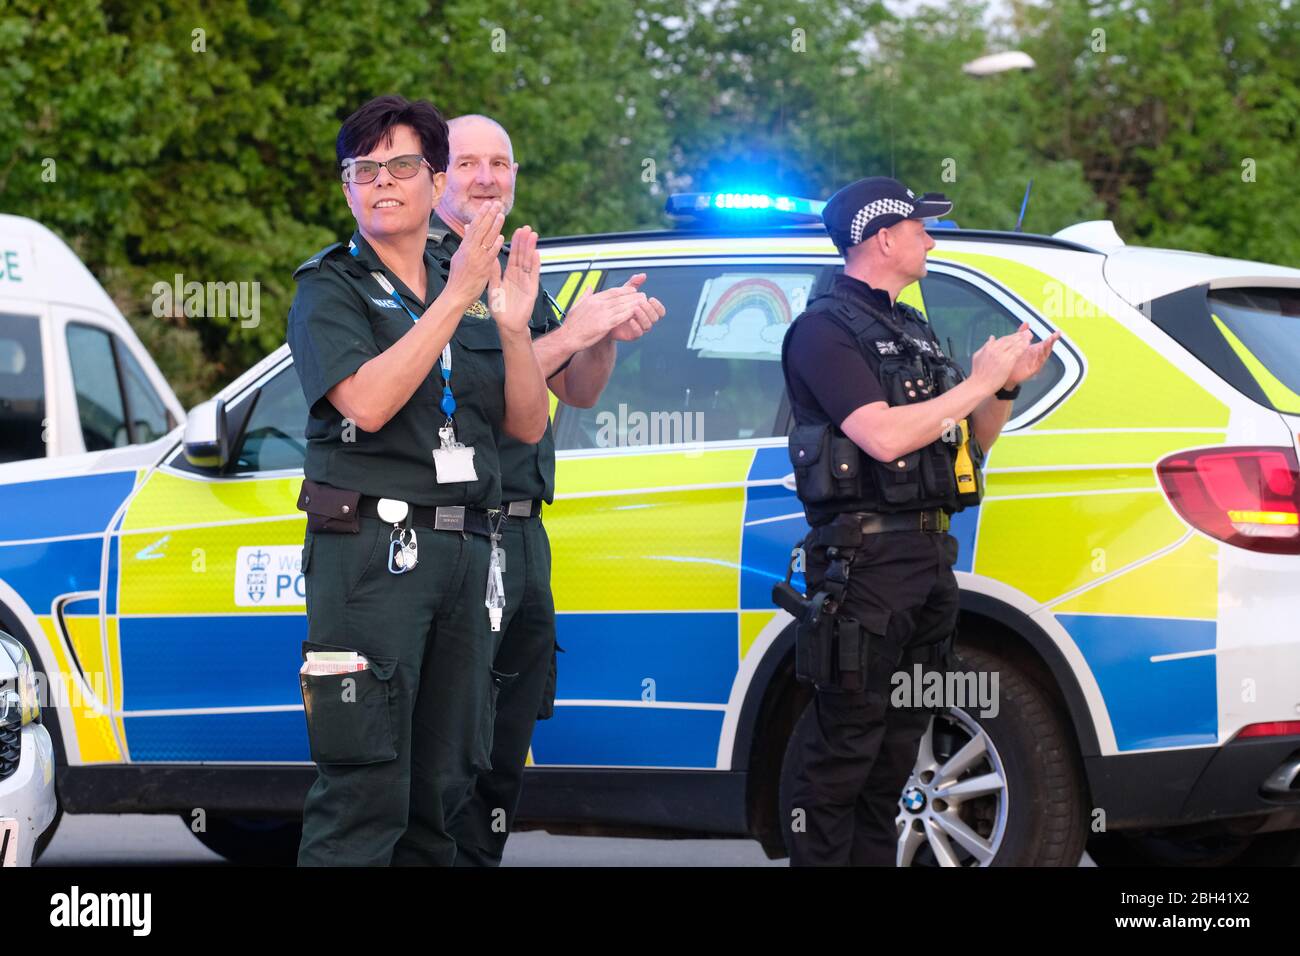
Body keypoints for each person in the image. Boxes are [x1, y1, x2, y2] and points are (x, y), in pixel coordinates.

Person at [285, 95, 550, 866]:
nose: (382, 183)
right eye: (362, 171)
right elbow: (365, 403)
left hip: (466, 549)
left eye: (402, 165)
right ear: (347, 189)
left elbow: (527, 424)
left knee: (445, 791)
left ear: (435, 184)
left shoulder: (461, 274)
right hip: (373, 553)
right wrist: (458, 298)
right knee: (363, 794)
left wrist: (509, 323)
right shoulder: (331, 286)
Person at [778, 176, 1059, 866]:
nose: (929, 239)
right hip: (866, 569)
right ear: (881, 237)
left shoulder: (913, 329)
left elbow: (970, 442)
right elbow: (881, 436)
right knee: (843, 751)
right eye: (918, 227)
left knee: (897, 749)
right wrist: (977, 382)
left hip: (927, 564)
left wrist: (1009, 383)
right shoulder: (822, 330)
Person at [429, 114, 665, 865]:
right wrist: (572, 330)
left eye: (500, 163)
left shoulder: (516, 271)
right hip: (456, 534)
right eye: (469, 163)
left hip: (524, 537)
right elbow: (479, 388)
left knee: (503, 755)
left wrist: (602, 331)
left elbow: (577, 391)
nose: (487, 177)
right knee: (445, 755)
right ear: (437, 176)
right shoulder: (424, 276)